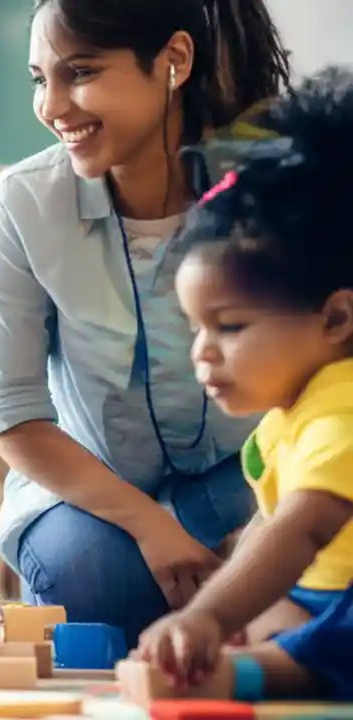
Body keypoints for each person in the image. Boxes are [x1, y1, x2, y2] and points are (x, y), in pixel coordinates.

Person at [0, 0, 292, 645]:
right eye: (40, 78)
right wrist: (152, 527)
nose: (51, 105)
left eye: (80, 72)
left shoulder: (269, 189)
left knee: (293, 566)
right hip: (87, 493)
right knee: (96, 582)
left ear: (173, 60)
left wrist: (270, 525)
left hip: (246, 470)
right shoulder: (23, 204)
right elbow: (13, 414)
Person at [135, 67, 353, 701]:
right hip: (321, 593)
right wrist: (221, 609)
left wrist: (208, 616)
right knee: (263, 616)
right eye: (196, 328)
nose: (203, 352)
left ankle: (259, 673)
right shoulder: (296, 407)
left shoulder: (341, 408)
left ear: (336, 317)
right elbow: (267, 528)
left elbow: (300, 528)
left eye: (229, 327)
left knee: (307, 636)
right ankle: (261, 656)